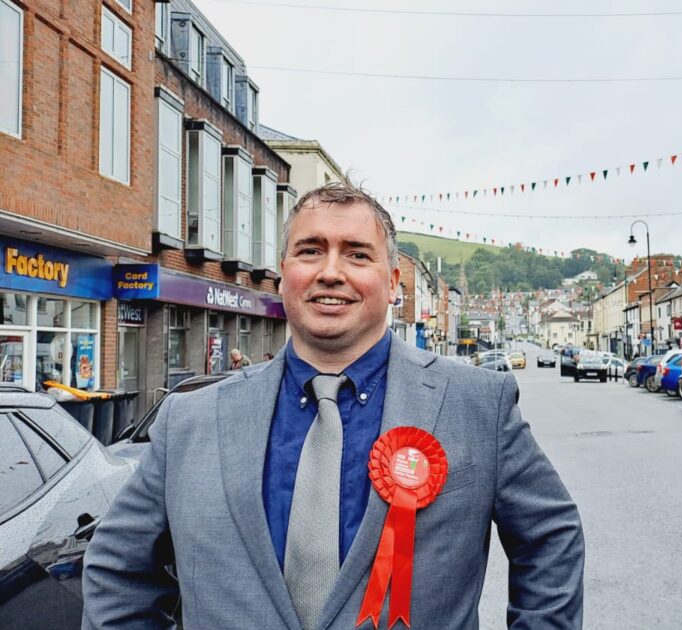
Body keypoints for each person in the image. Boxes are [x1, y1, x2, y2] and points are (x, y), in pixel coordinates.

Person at [83, 183, 585, 629]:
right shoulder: (189, 419)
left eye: (357, 255)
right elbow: (118, 568)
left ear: (392, 284)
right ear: (284, 274)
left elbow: (550, 538)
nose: (330, 272)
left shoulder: (479, 404)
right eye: (310, 250)